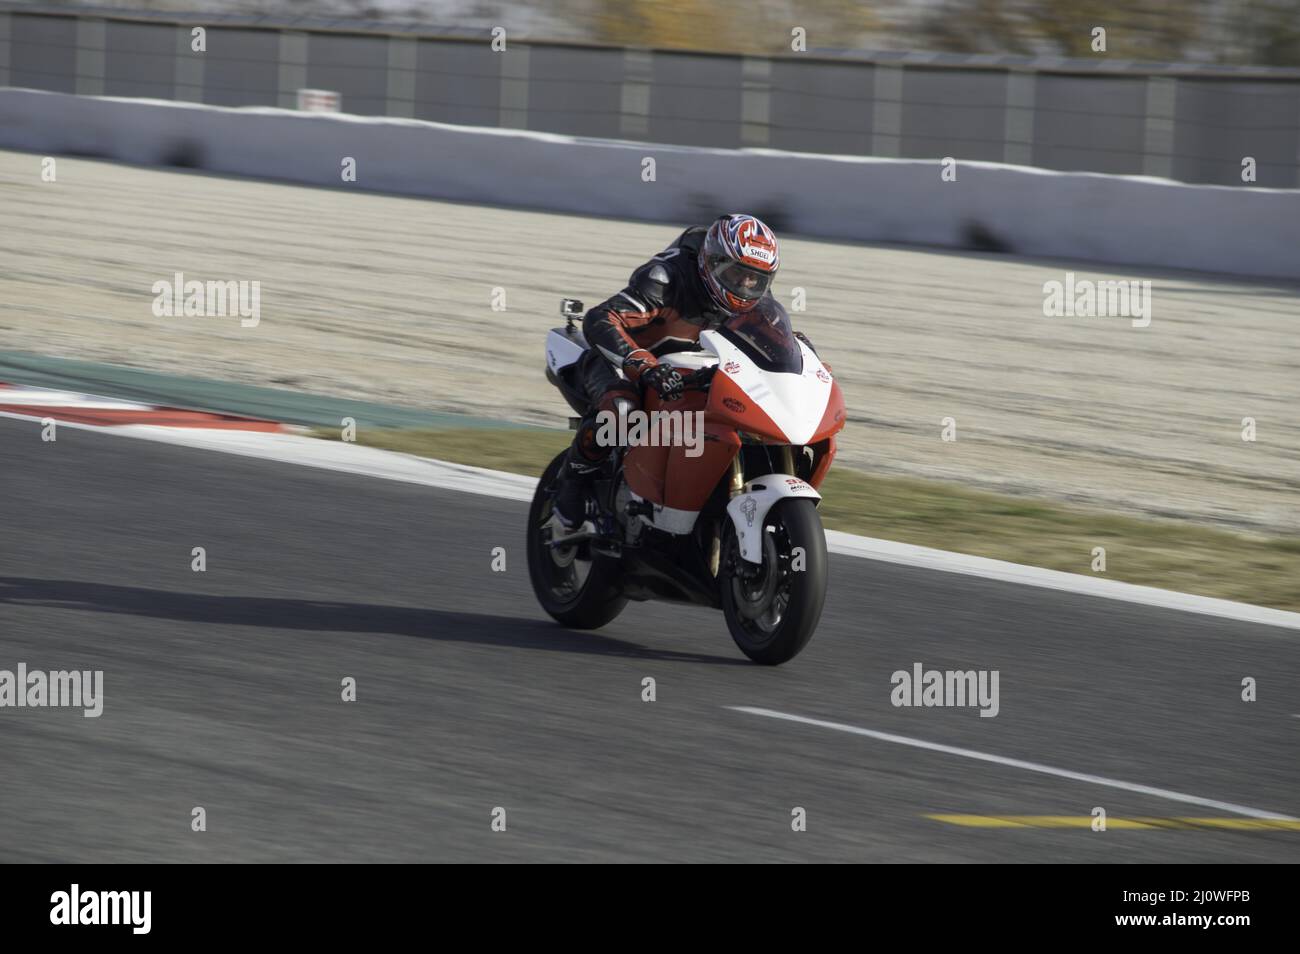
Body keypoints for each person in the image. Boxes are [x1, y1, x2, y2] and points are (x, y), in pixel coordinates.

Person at [554, 213, 782, 529]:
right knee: (622, 410)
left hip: (684, 372)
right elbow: (601, 318)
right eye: (735, 274)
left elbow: (770, 337)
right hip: (619, 360)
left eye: (754, 279)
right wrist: (642, 365)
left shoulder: (753, 296)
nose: (745, 286)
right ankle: (572, 481)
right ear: (711, 262)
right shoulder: (667, 278)